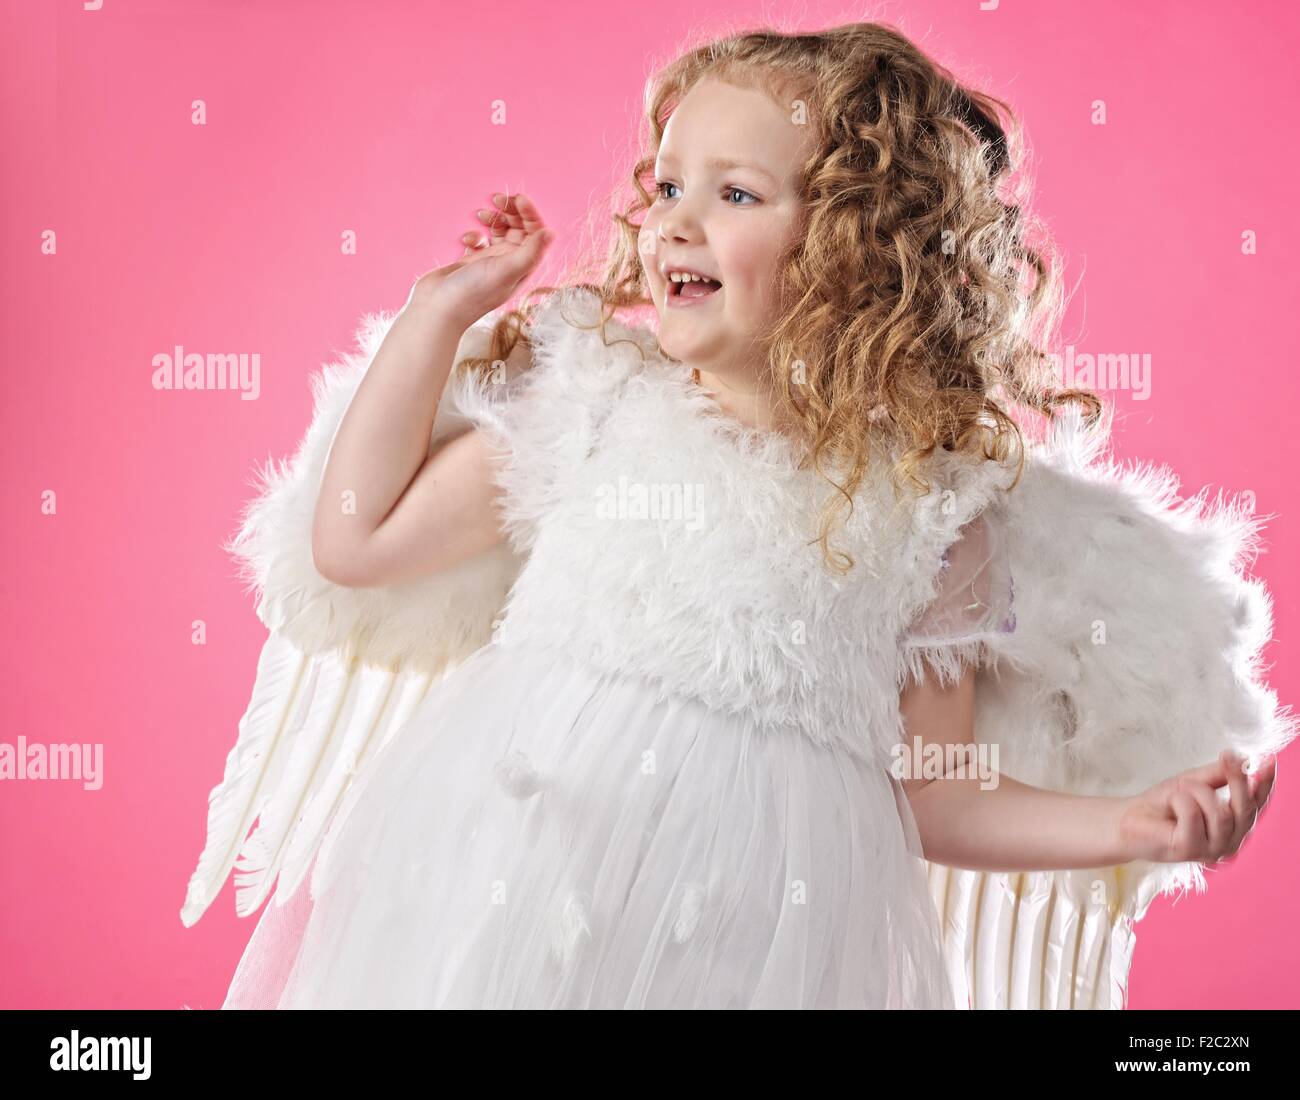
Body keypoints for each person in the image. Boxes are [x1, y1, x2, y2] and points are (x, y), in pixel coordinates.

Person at [202, 23, 1280, 1009]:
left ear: (856, 250)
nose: (672, 219)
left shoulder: (926, 513)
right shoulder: (598, 408)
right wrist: (438, 313)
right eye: (667, 184)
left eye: (735, 194)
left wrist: (1122, 822)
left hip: (762, 941)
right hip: (519, 888)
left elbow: (937, 797)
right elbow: (356, 540)